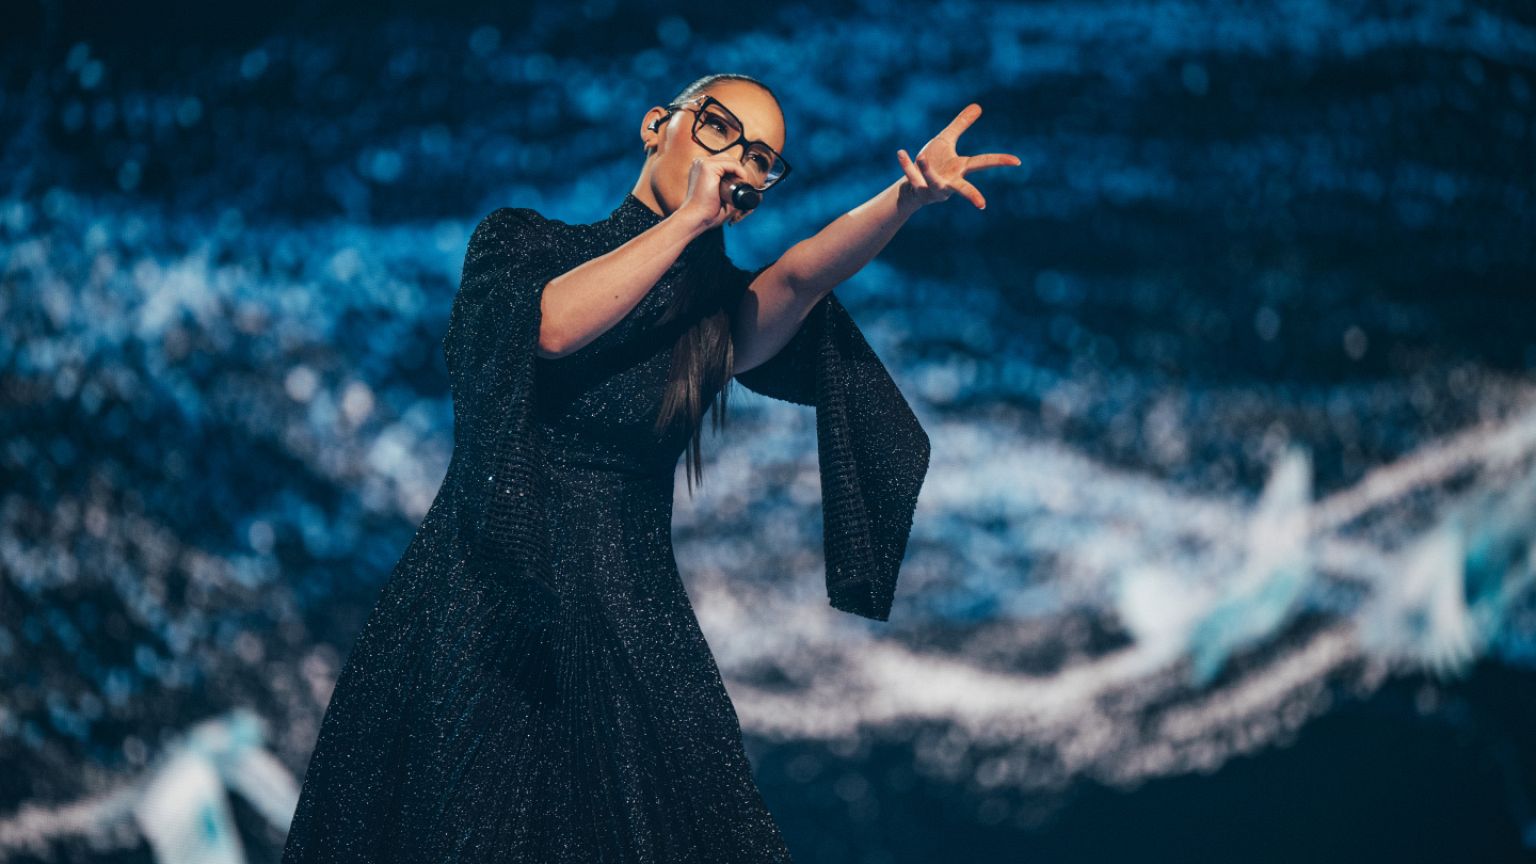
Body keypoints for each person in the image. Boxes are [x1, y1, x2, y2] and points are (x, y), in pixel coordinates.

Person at [280, 72, 1020, 863]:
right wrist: (691, 222)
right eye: (720, 130)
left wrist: (904, 200)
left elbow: (804, 275)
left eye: (762, 156)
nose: (738, 160)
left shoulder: (714, 321)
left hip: (633, 615)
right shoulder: (522, 243)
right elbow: (551, 330)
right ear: (655, 126)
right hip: (490, 594)